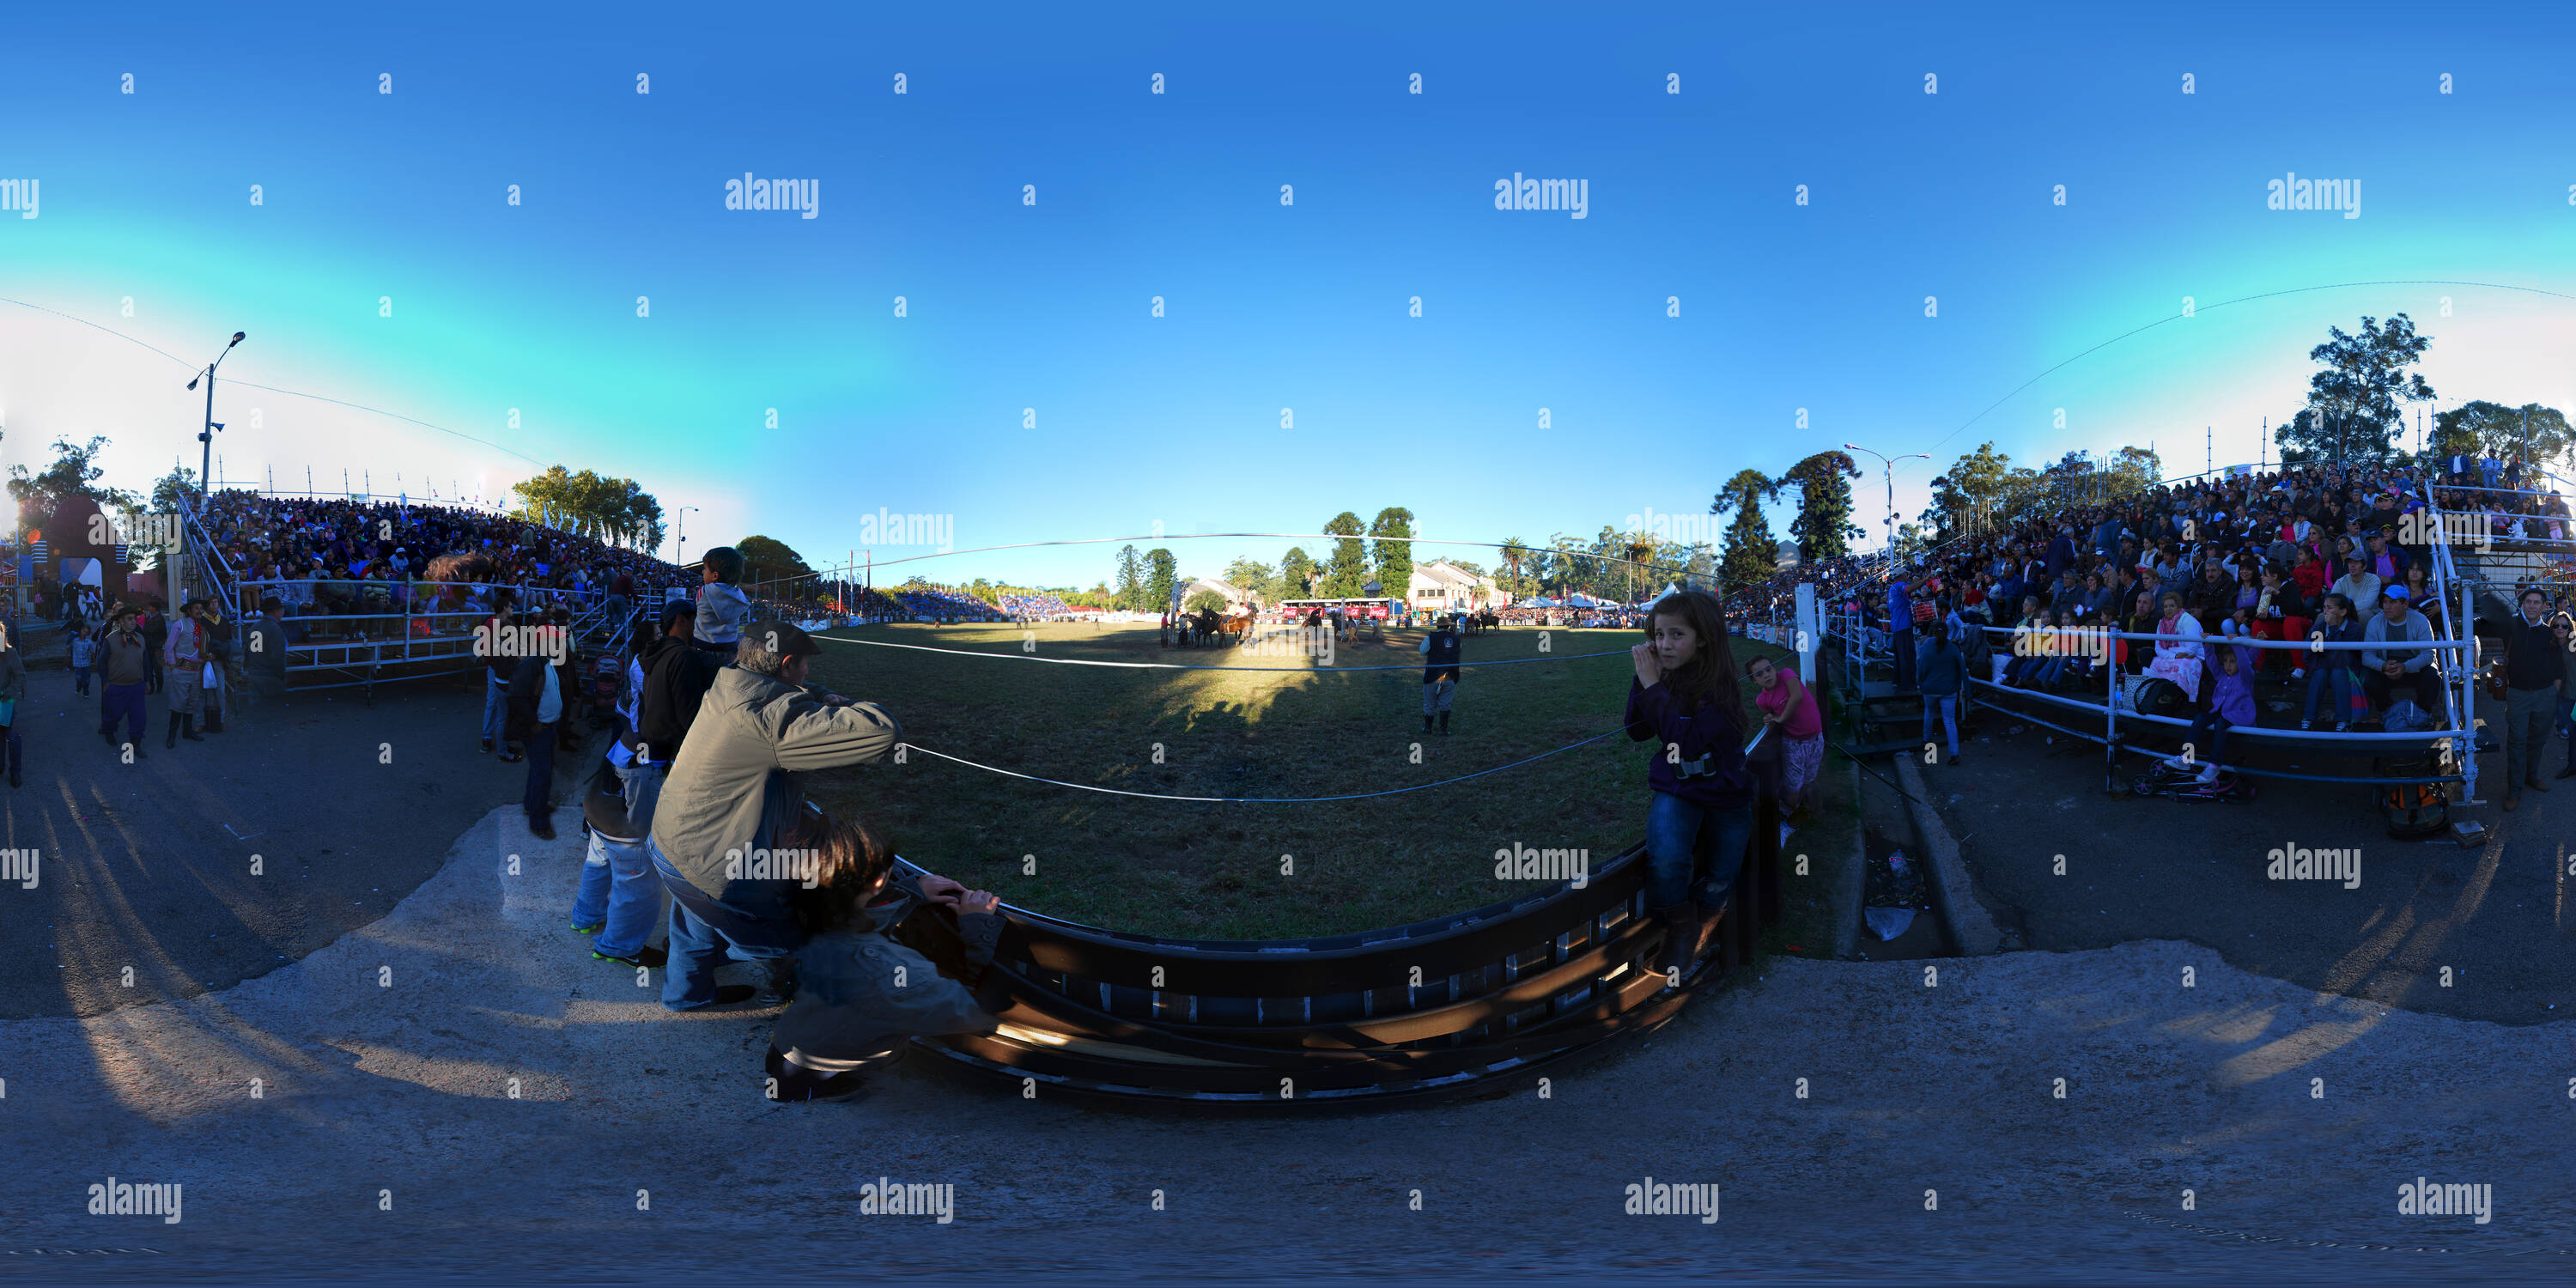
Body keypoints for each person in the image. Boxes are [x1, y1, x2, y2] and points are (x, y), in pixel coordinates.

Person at [650, 622, 902, 1012]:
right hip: (713, 864)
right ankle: (799, 1008)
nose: (808, 674)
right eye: (804, 667)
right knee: (796, 937)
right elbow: (881, 731)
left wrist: (817, 695)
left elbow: (779, 696)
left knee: (693, 921)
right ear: (786, 664)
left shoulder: (729, 684)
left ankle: (686, 995)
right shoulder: (768, 722)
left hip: (671, 844)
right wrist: (847, 705)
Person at [767, 808, 1005, 1103]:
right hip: (818, 1071)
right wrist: (977, 924)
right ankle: (812, 1091)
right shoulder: (891, 974)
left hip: (789, 1045)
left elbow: (854, 921)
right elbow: (970, 1012)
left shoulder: (798, 912)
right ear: (879, 882)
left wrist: (909, 892)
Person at [1623, 590, 1754, 993]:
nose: (1663, 644)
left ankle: (1708, 921)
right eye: (1658, 635)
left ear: (1704, 638)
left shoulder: (1721, 688)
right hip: (1678, 786)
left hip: (1726, 792)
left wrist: (1651, 685)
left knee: (1721, 874)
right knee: (1666, 856)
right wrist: (1644, 682)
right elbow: (1637, 729)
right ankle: (1680, 928)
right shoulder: (1663, 674)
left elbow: (1687, 742)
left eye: (1676, 635)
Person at [505, 617, 580, 840]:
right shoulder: (531, 664)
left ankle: (532, 805)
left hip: (547, 726)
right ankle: (538, 821)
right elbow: (516, 697)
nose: (561, 644)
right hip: (539, 729)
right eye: (557, 641)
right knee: (542, 774)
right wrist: (533, 722)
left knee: (539, 770)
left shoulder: (546, 661)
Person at [2495, 587, 2566, 811]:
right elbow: (2482, 622)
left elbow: (2559, 664)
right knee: (2516, 741)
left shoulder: (2551, 633)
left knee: (2538, 740)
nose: (2533, 606)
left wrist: (2555, 691)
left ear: (2545, 607)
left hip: (2545, 694)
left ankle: (2531, 776)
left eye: (2537, 602)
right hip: (2518, 694)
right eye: (2529, 601)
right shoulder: (2511, 626)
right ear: (2522, 604)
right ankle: (2514, 789)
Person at [1748, 653, 1823, 814]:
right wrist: (1770, 718)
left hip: (1817, 737)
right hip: (1794, 743)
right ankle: (1786, 815)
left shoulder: (1787, 675)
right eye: (1759, 674)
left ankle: (1798, 806)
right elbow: (1772, 716)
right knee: (1793, 785)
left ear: (1775, 668)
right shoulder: (1762, 700)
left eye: (1768, 669)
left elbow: (1797, 697)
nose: (1766, 675)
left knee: (1808, 778)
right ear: (1754, 680)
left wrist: (1780, 718)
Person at [2360, 586, 2446, 726]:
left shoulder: (2420, 620)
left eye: (2392, 602)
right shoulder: (2375, 621)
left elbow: (2429, 654)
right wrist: (2383, 665)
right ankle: (2386, 712)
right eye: (2385, 602)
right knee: (2369, 677)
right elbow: (2367, 655)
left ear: (2405, 604)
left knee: (2433, 676)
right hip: (2387, 668)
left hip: (2415, 668)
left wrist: (2405, 667)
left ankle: (2423, 714)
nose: (2387, 607)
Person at [2300, 593, 2365, 732]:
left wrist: (2334, 629)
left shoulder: (2353, 628)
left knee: (2338, 673)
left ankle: (2343, 720)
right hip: (2324, 666)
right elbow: (2311, 655)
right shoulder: (2319, 628)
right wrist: (2322, 665)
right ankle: (2308, 718)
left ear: (2343, 611)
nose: (2325, 612)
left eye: (2329, 608)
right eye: (2324, 607)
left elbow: (2342, 659)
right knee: (2320, 674)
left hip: (2347, 668)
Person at [98, 608, 151, 759]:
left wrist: (147, 680)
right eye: (129, 618)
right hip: (116, 686)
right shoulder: (110, 639)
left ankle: (136, 746)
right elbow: (102, 663)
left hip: (137, 686)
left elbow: (146, 662)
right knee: (112, 715)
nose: (133, 621)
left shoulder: (140, 638)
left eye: (134, 618)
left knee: (139, 717)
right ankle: (109, 732)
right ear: (121, 622)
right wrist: (106, 681)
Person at [1916, 608, 1964, 765]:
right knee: (1949, 721)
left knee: (1929, 713)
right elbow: (1962, 669)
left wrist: (1920, 683)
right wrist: (1963, 688)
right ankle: (1954, 754)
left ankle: (1926, 740)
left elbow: (1921, 666)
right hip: (1949, 690)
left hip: (1930, 688)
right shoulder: (1953, 648)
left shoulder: (1928, 644)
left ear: (1933, 632)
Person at [162, 599, 209, 749]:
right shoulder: (180, 625)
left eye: (201, 608)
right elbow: (169, 646)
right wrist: (172, 665)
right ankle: (171, 735)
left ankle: (187, 731)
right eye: (196, 608)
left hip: (196, 671)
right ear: (188, 610)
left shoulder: (202, 628)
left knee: (191, 703)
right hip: (182, 670)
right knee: (178, 703)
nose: (199, 611)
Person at [693, 547, 753, 658]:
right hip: (730, 648)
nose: (703, 572)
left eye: (705, 569)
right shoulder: (738, 594)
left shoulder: (704, 591)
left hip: (703, 647)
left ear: (715, 575)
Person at [1419, 614, 1462, 734]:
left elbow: (1422, 651)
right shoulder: (1456, 638)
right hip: (1450, 674)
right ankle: (1443, 729)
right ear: (1448, 626)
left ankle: (1428, 728)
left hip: (1433, 674)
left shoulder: (1430, 638)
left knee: (1429, 702)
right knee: (1445, 703)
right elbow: (1458, 650)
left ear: (1438, 625)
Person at [0, 622, 22, 787]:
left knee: (12, 738)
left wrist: (6, 693)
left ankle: (15, 771)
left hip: (5, 702)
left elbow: (20, 677)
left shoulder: (9, 653)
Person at [139, 598, 168, 695]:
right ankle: (151, 687)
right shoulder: (148, 618)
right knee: (148, 669)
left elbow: (162, 634)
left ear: (155, 608)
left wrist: (158, 645)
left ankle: (159, 687)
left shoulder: (160, 619)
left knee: (158, 670)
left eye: (150, 607)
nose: (148, 608)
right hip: (148, 647)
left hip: (157, 648)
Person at [70, 623, 98, 697]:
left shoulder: (89, 642)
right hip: (78, 663)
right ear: (80, 631)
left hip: (86, 663)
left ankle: (86, 692)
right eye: (83, 631)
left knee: (87, 679)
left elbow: (92, 652)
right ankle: (79, 687)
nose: (84, 633)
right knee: (79, 678)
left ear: (88, 634)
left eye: (86, 632)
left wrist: (94, 662)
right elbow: (69, 646)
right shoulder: (75, 640)